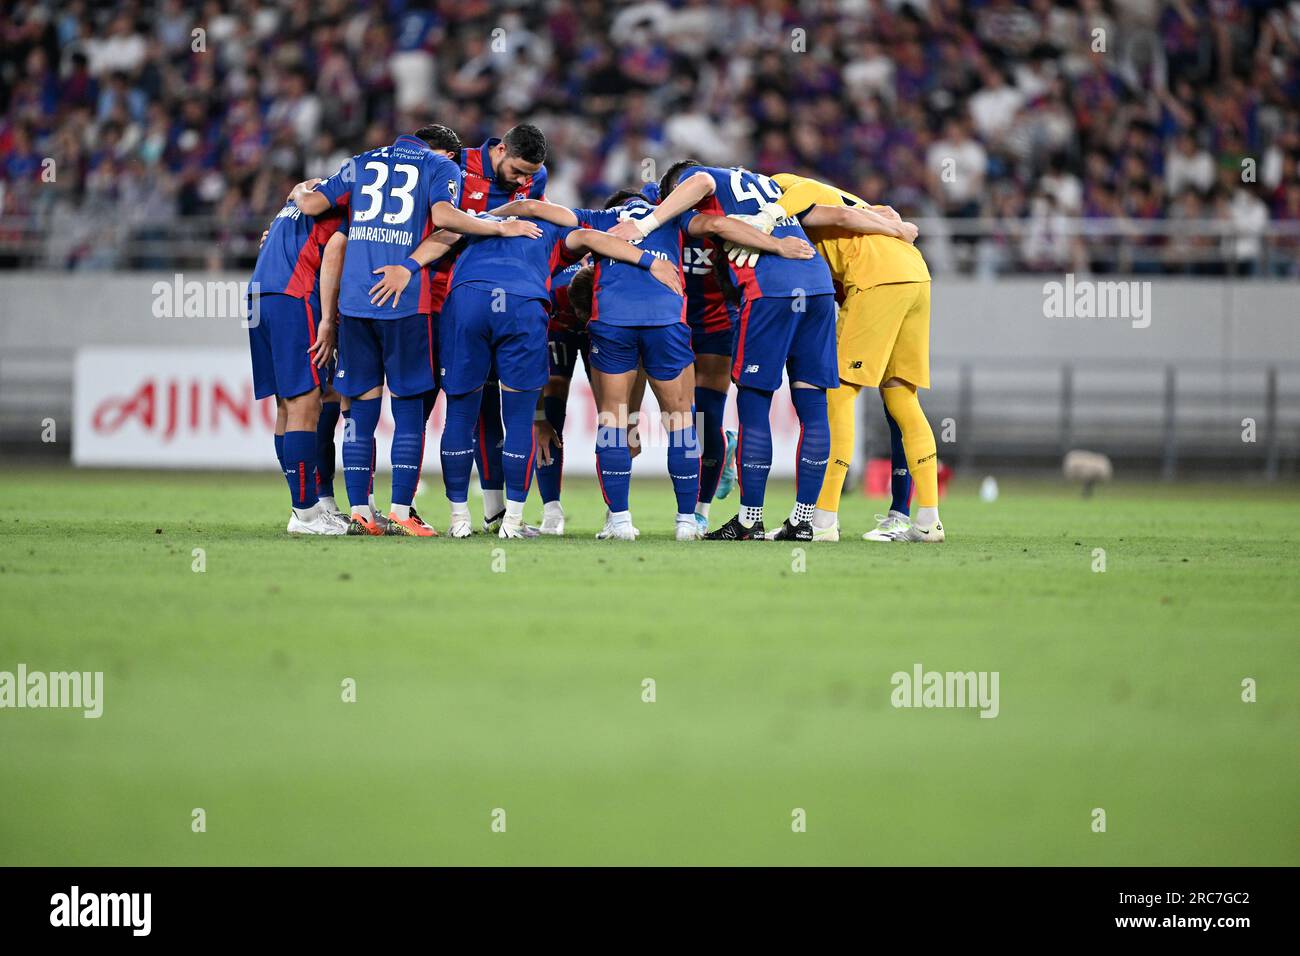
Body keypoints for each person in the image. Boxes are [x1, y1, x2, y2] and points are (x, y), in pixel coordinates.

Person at [291, 125, 540, 537]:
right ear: (438, 151)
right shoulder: (438, 167)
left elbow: (315, 204)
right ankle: (402, 511)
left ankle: (361, 512)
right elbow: (444, 217)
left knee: (360, 412)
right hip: (407, 302)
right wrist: (500, 226)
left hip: (355, 301)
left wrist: (299, 192)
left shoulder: (361, 161)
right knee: (409, 411)